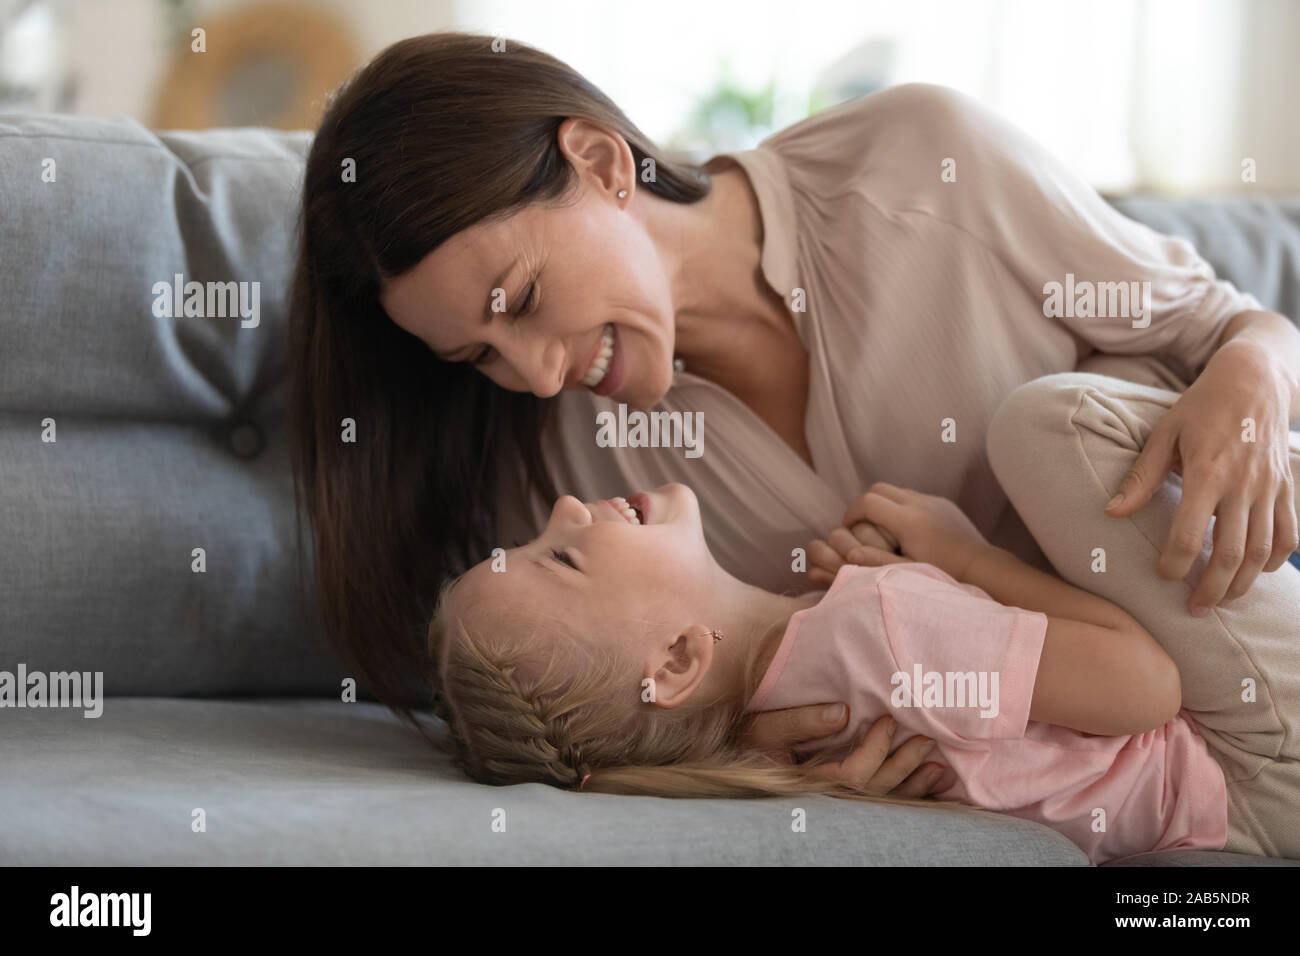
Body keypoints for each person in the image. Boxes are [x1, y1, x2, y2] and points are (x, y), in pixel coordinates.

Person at [287, 32, 1300, 797]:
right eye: (479, 355)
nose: (539, 376)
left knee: (1053, 418)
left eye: (520, 302)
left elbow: (1225, 326)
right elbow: (623, 692)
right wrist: (743, 751)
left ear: (600, 163)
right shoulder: (566, 473)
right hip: (1149, 773)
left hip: (1230, 617)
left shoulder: (919, 161)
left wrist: (1254, 376)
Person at [429, 373, 1300, 860]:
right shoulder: (873, 624)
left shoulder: (775, 748)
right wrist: (966, 559)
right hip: (1249, 758)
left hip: (1212, 834)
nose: (571, 507)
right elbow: (1147, 688)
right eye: (563, 556)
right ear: (679, 662)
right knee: (1047, 422)